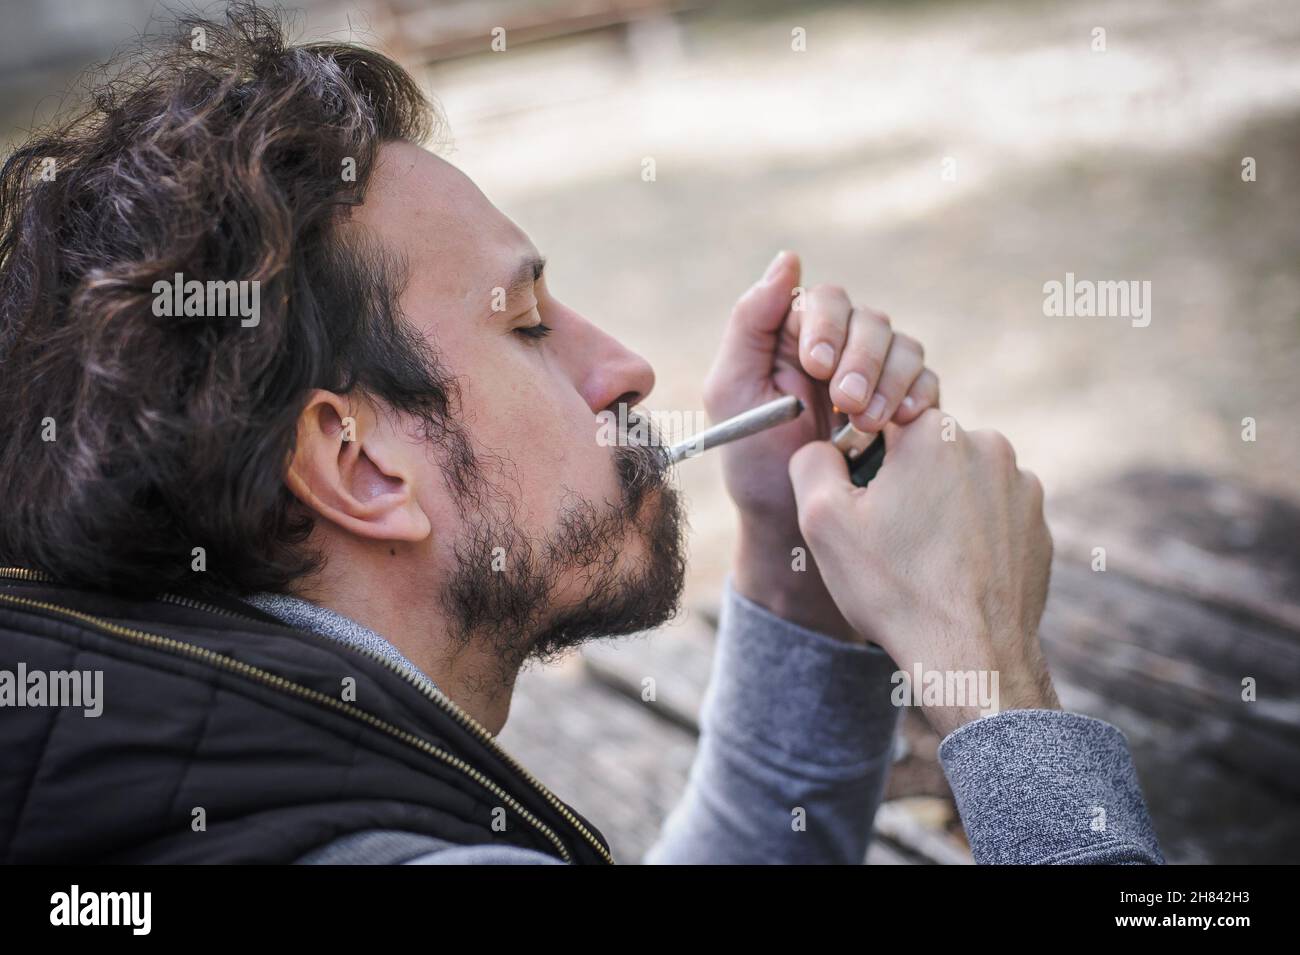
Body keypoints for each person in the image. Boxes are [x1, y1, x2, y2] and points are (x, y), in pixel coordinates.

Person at [0, 4, 1162, 865]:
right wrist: (991, 674)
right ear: (359, 465)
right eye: (528, 322)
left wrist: (790, 567)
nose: (626, 368)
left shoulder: (170, 739)